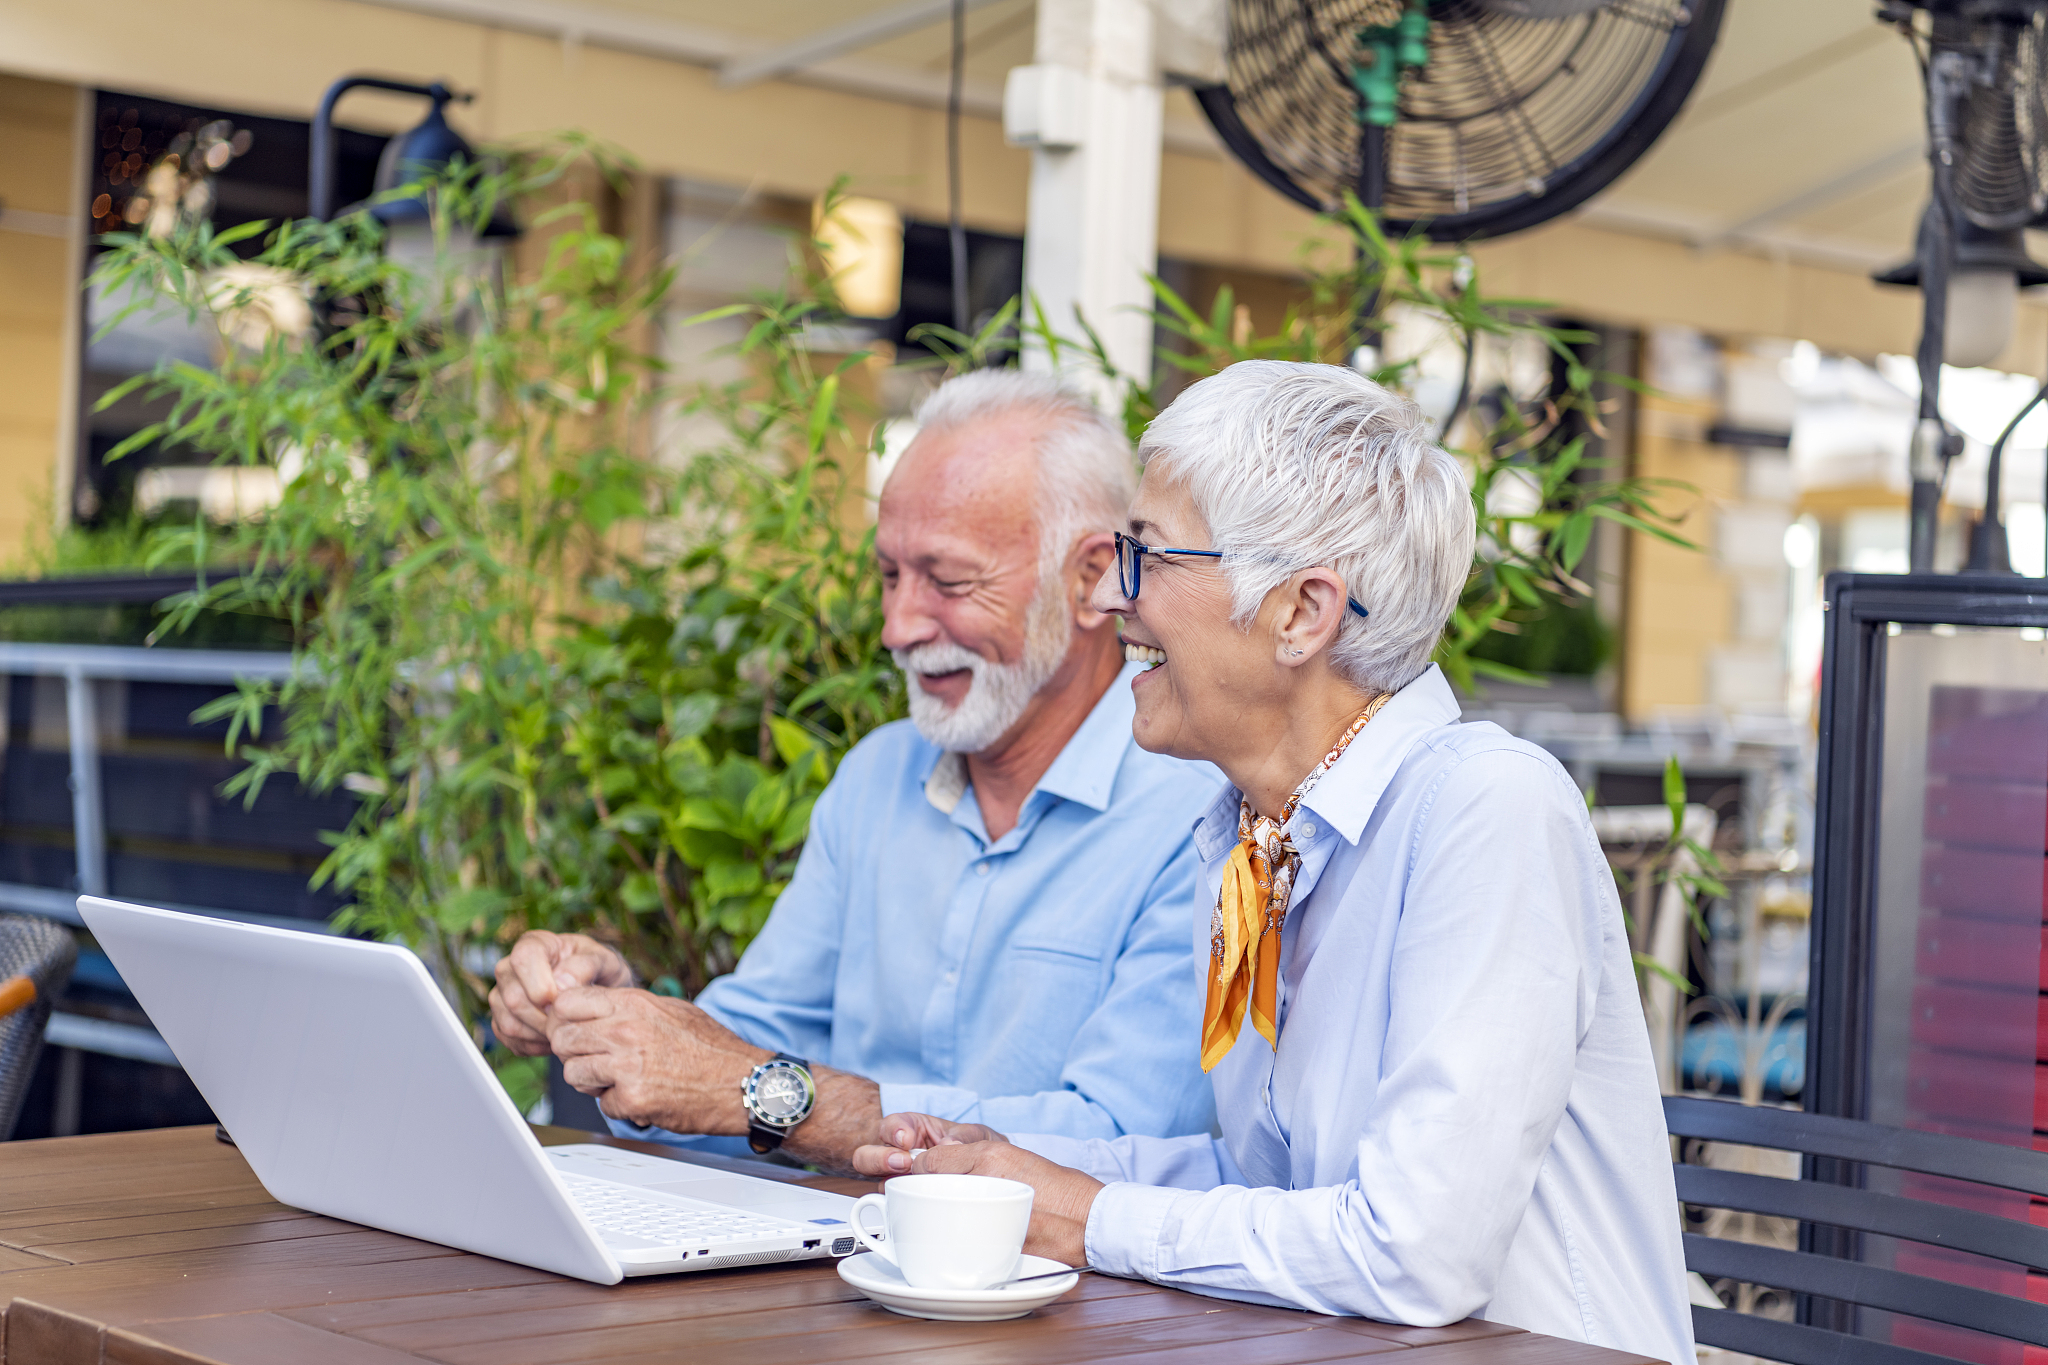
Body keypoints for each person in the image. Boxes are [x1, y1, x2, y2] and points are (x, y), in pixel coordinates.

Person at [852, 361, 1696, 1365]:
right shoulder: (1252, 837)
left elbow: (1411, 1255)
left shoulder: (1484, 810)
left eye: (1148, 557)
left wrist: (1084, 1214)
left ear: (1301, 612)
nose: (1115, 599)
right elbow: (1266, 1185)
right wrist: (997, 1166)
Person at [488, 370, 1220, 1172]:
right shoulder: (877, 776)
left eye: (948, 580)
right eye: (888, 576)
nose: (897, 626)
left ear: (1092, 581)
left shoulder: (1201, 811)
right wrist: (611, 1019)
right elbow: (732, 1058)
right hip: (831, 1263)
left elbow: (1122, 1142)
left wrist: (763, 1094)